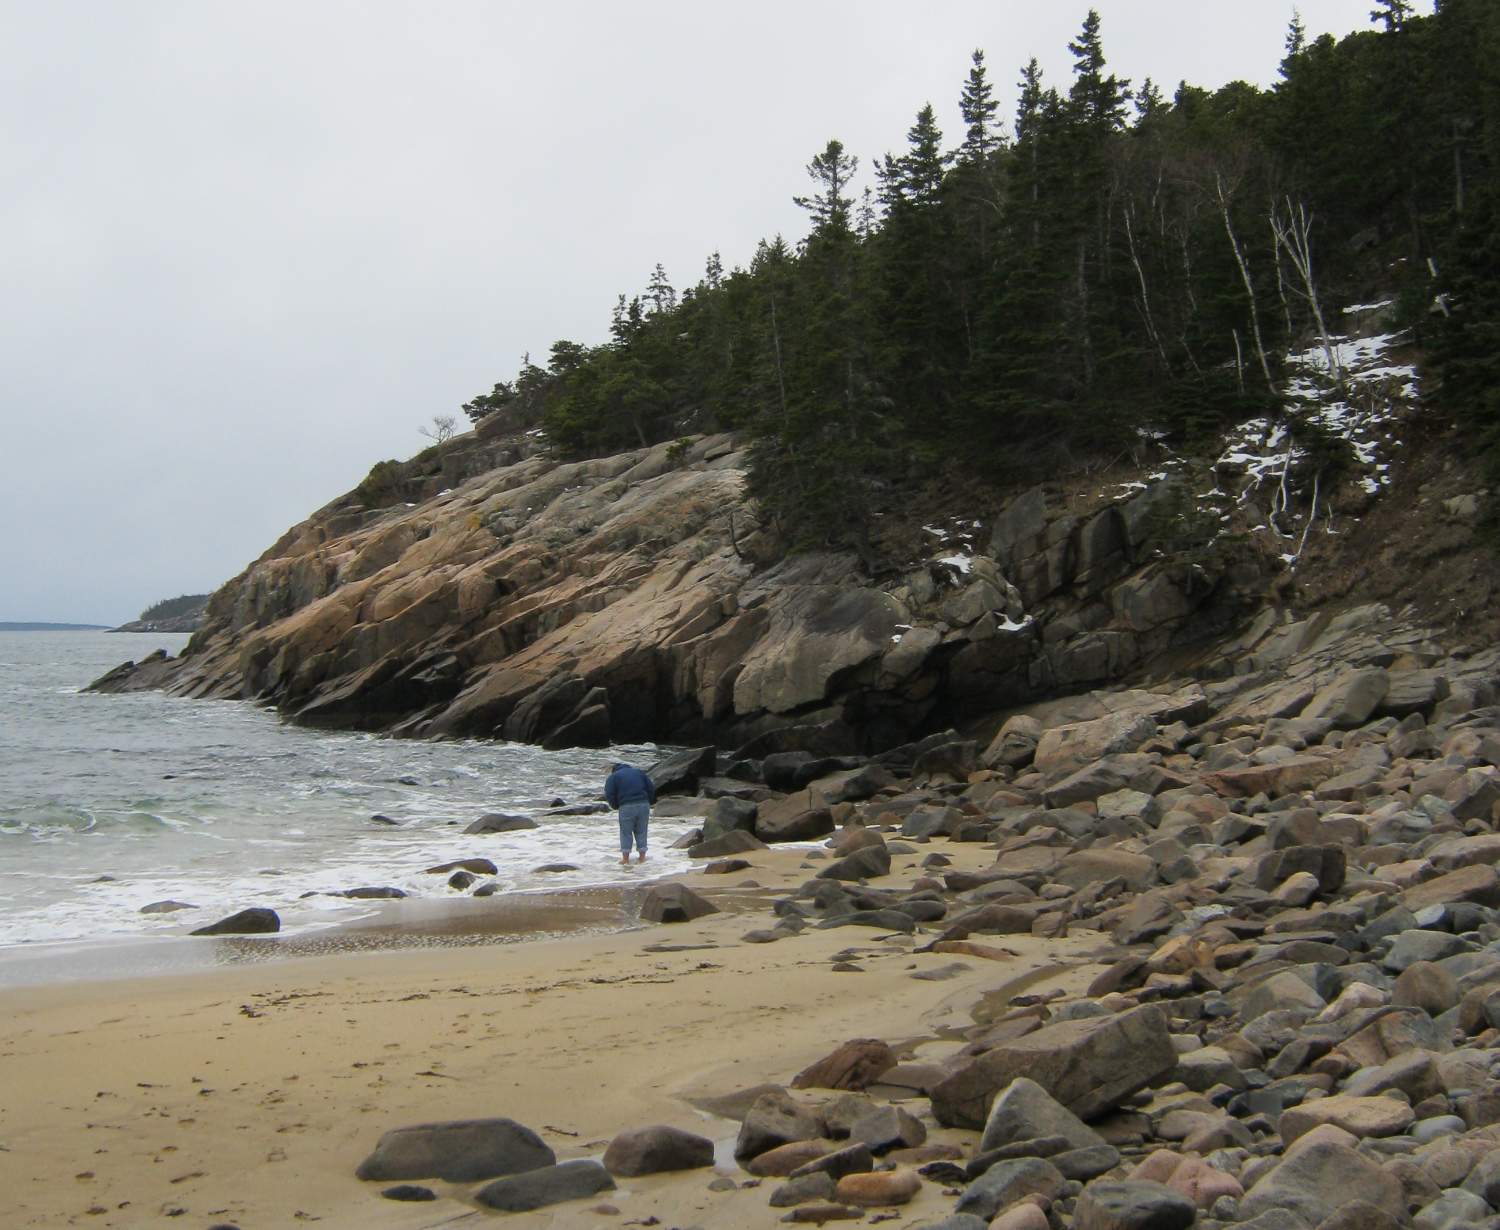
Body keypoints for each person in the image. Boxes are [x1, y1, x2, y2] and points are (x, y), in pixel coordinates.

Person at [604, 761, 656, 865]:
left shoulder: (614, 777)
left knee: (626, 832)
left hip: (626, 805)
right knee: (642, 831)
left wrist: (615, 806)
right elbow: (650, 787)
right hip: (643, 804)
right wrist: (649, 801)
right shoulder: (639, 772)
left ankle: (625, 859)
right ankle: (642, 858)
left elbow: (609, 793)